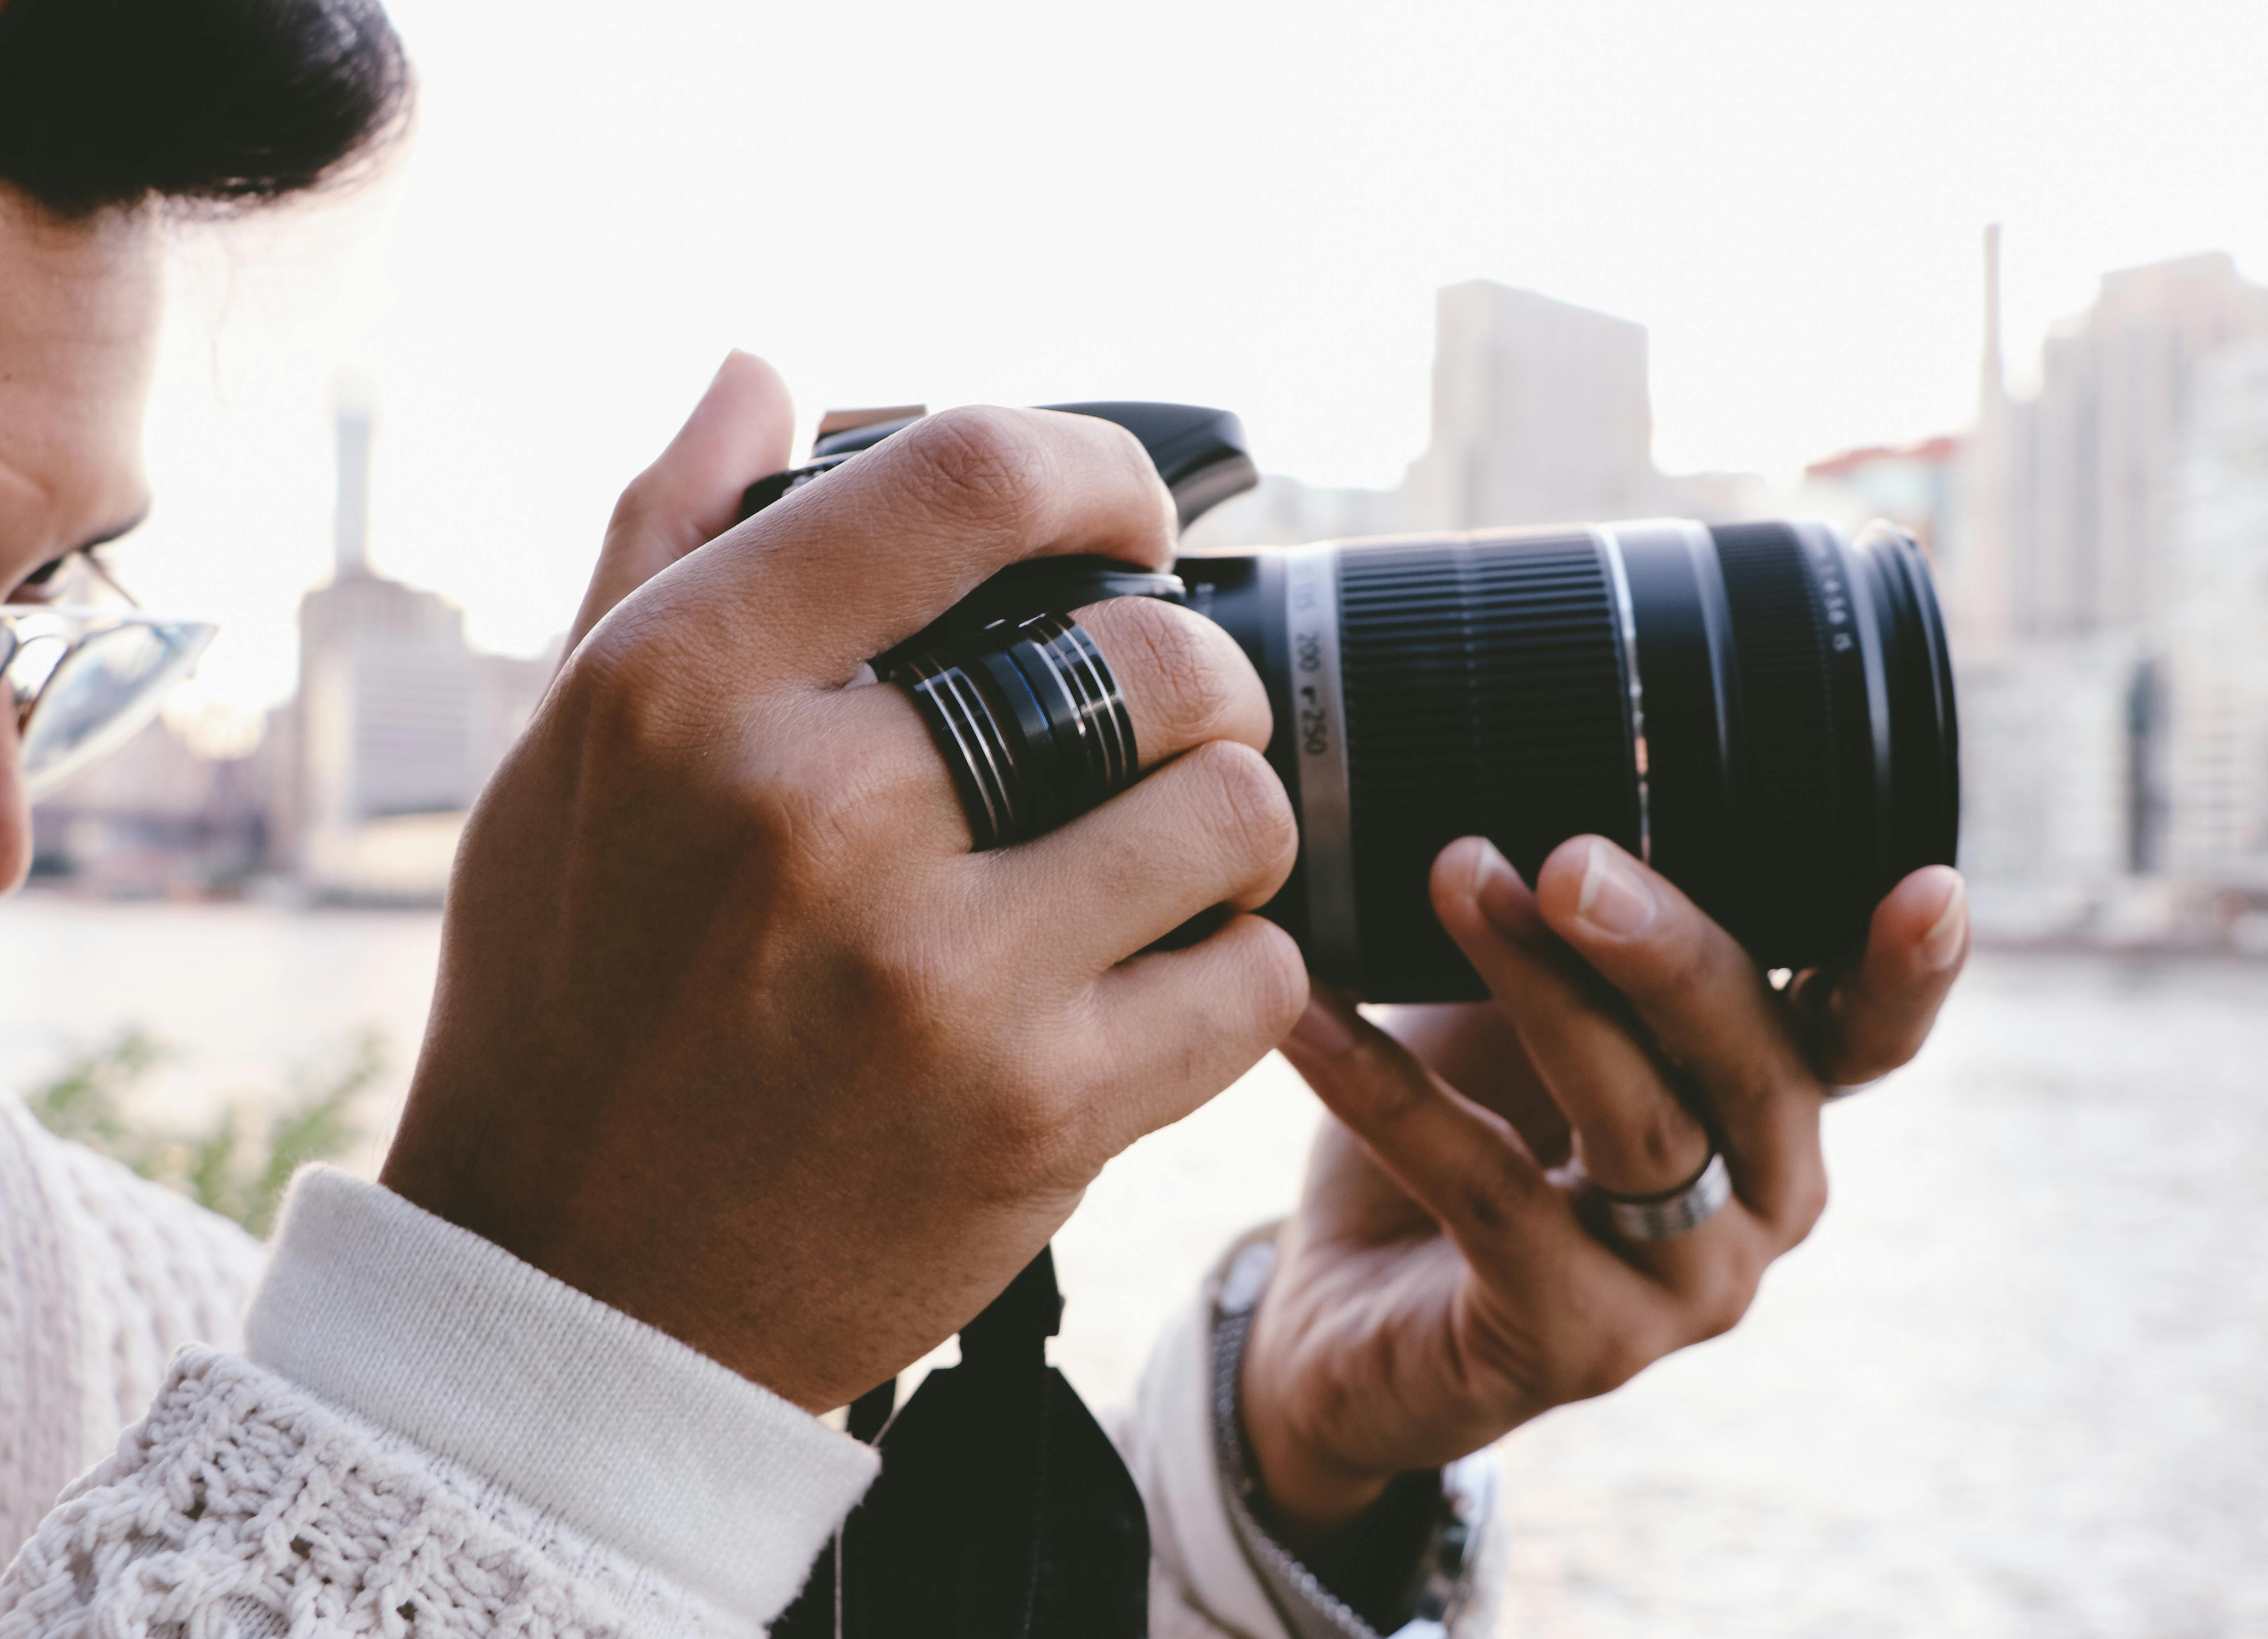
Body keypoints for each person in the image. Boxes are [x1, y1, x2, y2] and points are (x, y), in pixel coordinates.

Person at [0, 1, 1971, 1632]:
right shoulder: (227, 1380)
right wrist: (534, 1335)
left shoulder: (87, 1321)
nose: (13, 830)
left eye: (30, 617)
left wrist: (1293, 1458)